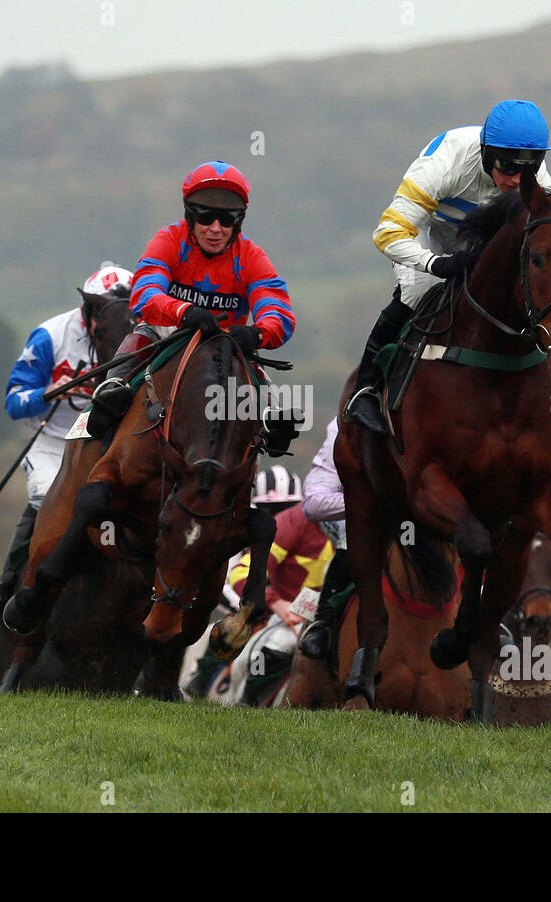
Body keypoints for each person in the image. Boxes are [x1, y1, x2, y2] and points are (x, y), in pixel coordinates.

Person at [346, 99, 551, 434]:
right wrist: (435, 263)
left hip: (484, 234)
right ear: (487, 153)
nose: (516, 180)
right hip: (430, 229)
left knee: (526, 286)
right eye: (507, 167)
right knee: (417, 290)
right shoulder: (446, 163)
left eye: (526, 170)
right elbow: (387, 233)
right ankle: (365, 390)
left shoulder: (537, 180)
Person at [88, 160, 302, 452]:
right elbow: (145, 294)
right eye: (206, 217)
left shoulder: (252, 256)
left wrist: (257, 334)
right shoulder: (168, 240)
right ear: (190, 215)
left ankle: (271, 422)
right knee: (138, 338)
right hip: (167, 332)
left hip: (224, 342)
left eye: (226, 220)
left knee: (262, 384)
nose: (215, 229)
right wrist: (184, 311)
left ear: (238, 221)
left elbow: (277, 310)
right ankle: (108, 393)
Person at [0, 262, 135, 629]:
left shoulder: (137, 336)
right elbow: (14, 401)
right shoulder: (49, 336)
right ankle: (4, 588)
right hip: (52, 443)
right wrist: (52, 391)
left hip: (102, 444)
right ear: (90, 311)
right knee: (47, 497)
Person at [181, 465, 332, 703]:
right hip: (250, 604)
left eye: (284, 508)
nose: (277, 516)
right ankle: (204, 679)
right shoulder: (241, 531)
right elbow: (233, 578)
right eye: (270, 510)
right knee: (238, 627)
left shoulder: (311, 526)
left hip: (303, 609)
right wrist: (272, 604)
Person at [295, 419, 354, 660]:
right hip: (360, 520)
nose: (279, 509)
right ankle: (323, 622)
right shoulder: (346, 421)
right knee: (355, 532)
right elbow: (314, 506)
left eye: (282, 505)